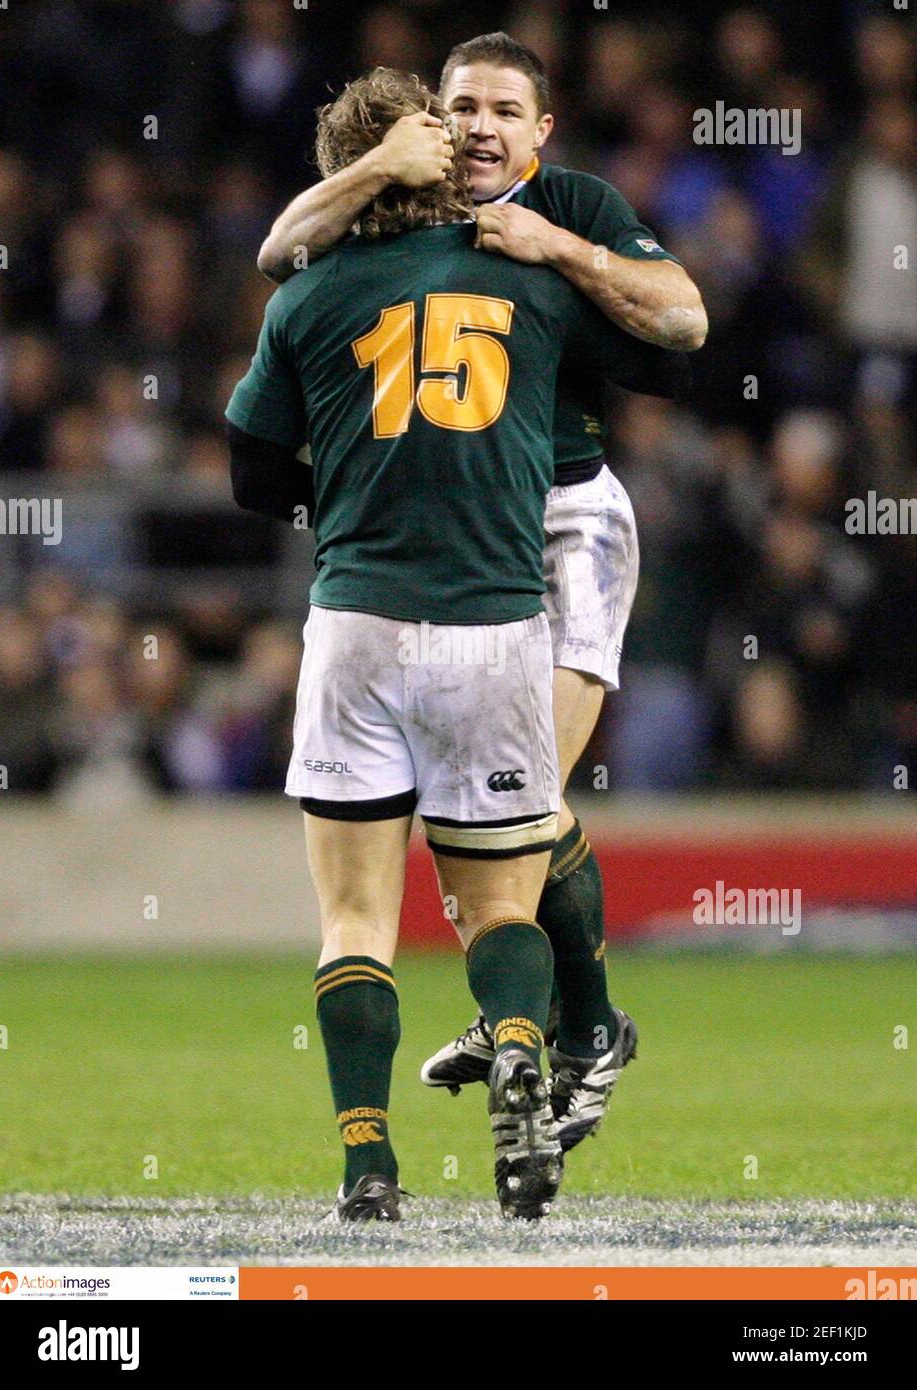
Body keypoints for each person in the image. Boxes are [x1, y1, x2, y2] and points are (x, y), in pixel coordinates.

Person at [227, 68, 688, 1222]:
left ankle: (389, 1150)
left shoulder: (564, 209)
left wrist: (560, 248)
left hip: (521, 542)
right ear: (426, 137)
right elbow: (667, 351)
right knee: (508, 860)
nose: (472, 130)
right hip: (483, 585)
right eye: (454, 110)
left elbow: (680, 318)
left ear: (536, 129)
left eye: (496, 111)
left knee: (400, 896)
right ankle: (546, 1029)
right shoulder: (496, 275)